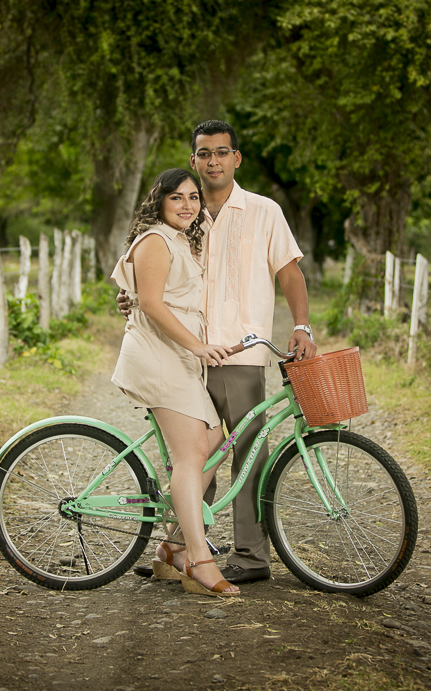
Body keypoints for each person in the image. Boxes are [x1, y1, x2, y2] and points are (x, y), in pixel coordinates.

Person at [125, 120, 318, 584]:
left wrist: (301, 324)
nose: (213, 161)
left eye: (222, 152)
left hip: (239, 352)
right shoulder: (182, 216)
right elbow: (155, 276)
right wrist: (132, 295)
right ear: (193, 160)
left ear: (237, 158)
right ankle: (180, 546)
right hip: (183, 354)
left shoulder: (264, 211)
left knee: (248, 451)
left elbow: (289, 272)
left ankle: (250, 556)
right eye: (204, 153)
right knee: (193, 453)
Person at [111, 168, 240, 597]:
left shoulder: (182, 239)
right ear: (160, 201)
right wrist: (199, 347)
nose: (187, 205)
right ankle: (198, 560)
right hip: (158, 354)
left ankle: (173, 545)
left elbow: (152, 294)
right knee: (191, 454)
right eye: (177, 198)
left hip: (178, 354)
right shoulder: (155, 239)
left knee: (217, 441)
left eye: (193, 197)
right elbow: (150, 303)